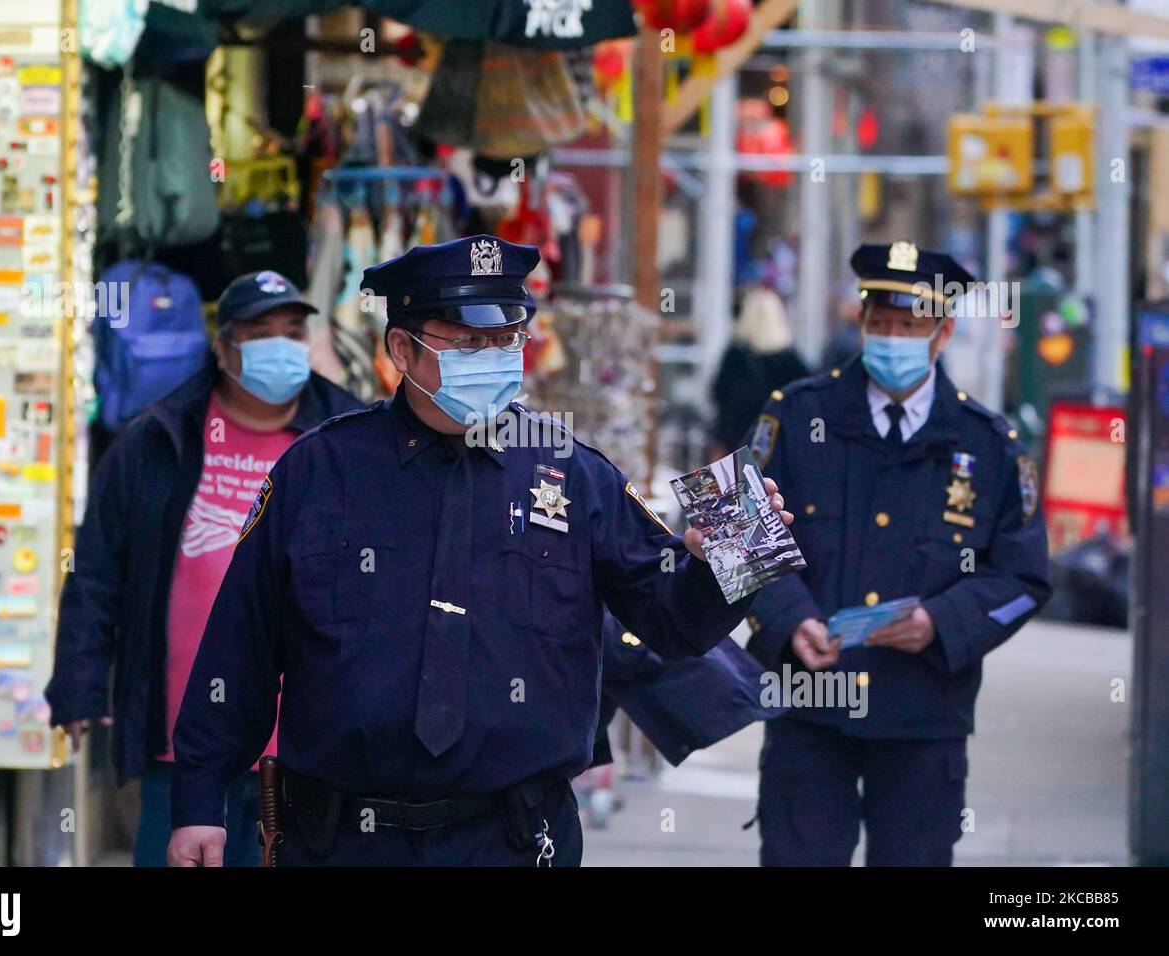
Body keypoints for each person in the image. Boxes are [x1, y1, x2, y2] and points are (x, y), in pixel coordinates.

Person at [165, 234, 793, 867]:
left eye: (506, 340)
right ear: (401, 349)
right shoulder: (320, 472)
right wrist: (198, 803)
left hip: (513, 838)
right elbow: (239, 644)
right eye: (467, 342)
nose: (491, 358)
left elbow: (672, 620)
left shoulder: (572, 473)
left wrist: (729, 559)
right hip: (343, 840)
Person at [743, 241, 1052, 866]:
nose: (891, 339)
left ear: (943, 334)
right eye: (879, 323)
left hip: (923, 717)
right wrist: (789, 617)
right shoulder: (799, 415)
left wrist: (942, 623)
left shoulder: (988, 445)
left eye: (909, 326)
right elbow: (736, 532)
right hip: (811, 706)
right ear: (860, 322)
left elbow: (1022, 578)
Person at [45, 270, 361, 866]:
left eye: (293, 331)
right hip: (184, 745)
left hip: (311, 747)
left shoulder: (347, 437)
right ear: (224, 348)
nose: (281, 345)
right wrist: (80, 684)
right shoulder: (160, 437)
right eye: (260, 332)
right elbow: (96, 570)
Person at [710, 287, 809, 458]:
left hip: (736, 440)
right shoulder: (789, 360)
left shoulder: (735, 355)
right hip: (777, 440)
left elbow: (719, 395)